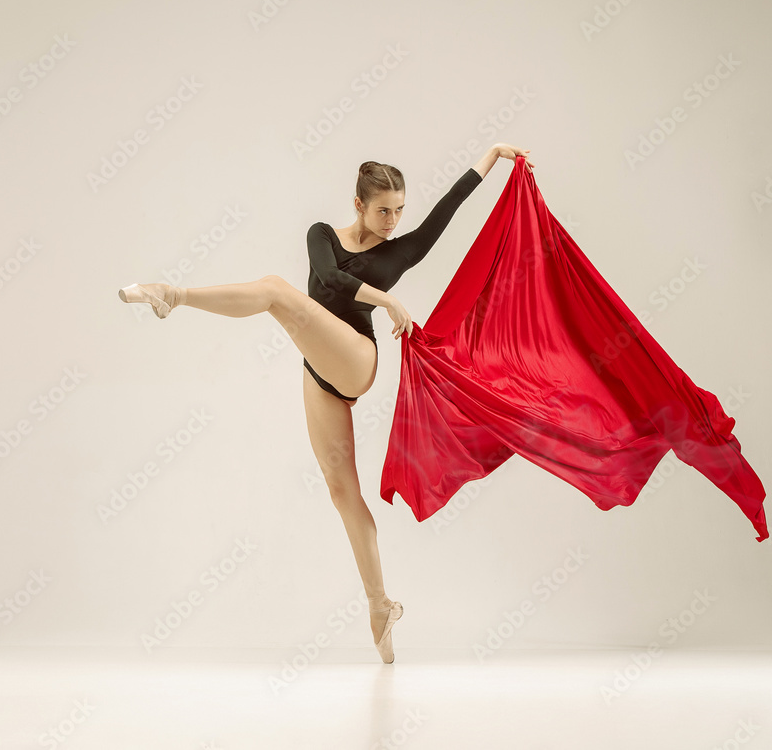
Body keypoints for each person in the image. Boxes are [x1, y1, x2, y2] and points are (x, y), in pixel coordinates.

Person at [118, 143, 535, 662]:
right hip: (319, 372)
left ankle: (172, 295)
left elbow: (448, 208)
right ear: (358, 204)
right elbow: (333, 278)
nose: (393, 220)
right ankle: (380, 605)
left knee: (273, 289)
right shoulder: (321, 235)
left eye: (400, 209)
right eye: (383, 209)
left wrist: (491, 158)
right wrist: (386, 298)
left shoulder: (400, 249)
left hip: (356, 359)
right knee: (342, 493)